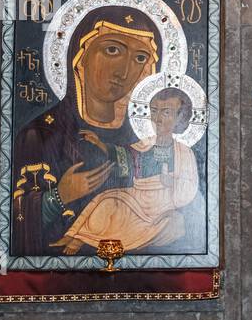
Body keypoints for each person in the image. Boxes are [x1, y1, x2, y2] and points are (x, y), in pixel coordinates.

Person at [10, 6, 159, 255]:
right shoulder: (39, 135)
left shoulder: (146, 142)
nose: (124, 72)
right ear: (80, 57)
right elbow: (15, 221)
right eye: (112, 50)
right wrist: (58, 197)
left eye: (140, 58)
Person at [52, 86, 200, 254]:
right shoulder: (144, 145)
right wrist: (99, 144)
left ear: (179, 118)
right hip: (137, 195)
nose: (158, 118)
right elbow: (125, 158)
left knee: (171, 225)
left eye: (166, 113)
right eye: (154, 111)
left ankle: (81, 239)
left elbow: (190, 186)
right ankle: (74, 236)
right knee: (106, 199)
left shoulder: (184, 153)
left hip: (162, 205)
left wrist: (172, 182)